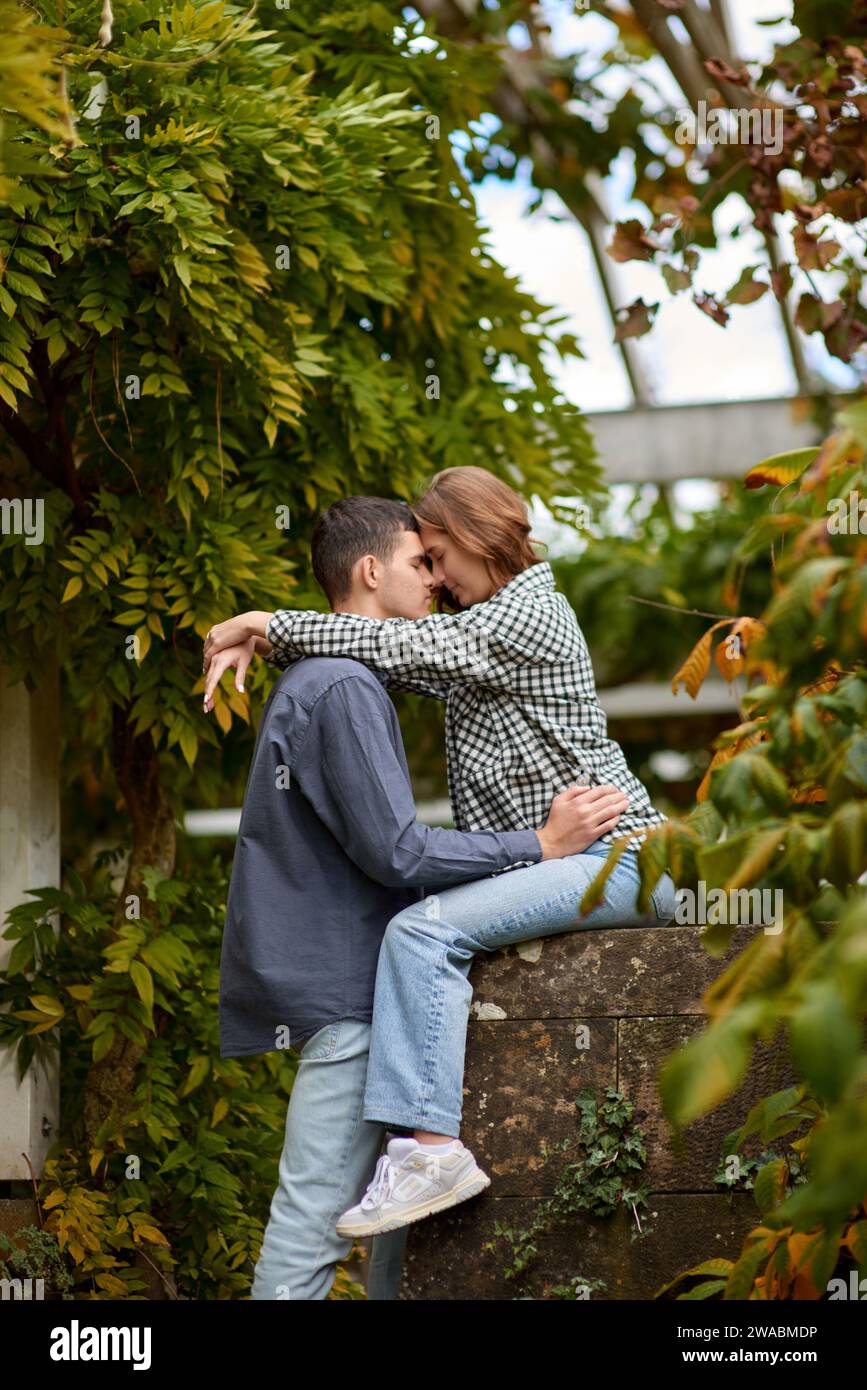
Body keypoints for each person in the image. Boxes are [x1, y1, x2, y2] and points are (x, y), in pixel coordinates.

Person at [207, 467, 675, 1242]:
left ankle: (430, 1152)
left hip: (622, 857)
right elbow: (382, 653)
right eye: (419, 560)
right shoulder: (478, 638)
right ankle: (420, 1158)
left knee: (419, 932)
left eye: (436, 556)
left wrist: (268, 621)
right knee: (429, 929)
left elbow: (405, 641)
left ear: (472, 538)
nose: (434, 576)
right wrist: (272, 638)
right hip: (569, 865)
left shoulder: (528, 614)